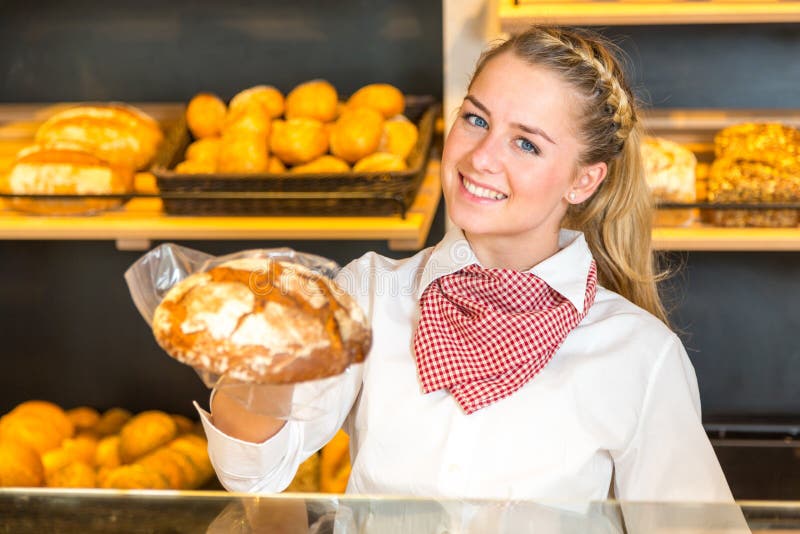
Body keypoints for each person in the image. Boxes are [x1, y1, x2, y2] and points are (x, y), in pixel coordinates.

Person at [195, 24, 741, 526]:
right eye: (476, 119)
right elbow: (253, 471)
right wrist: (258, 349)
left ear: (583, 180)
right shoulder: (368, 295)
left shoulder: (638, 355)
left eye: (525, 143)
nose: (481, 157)